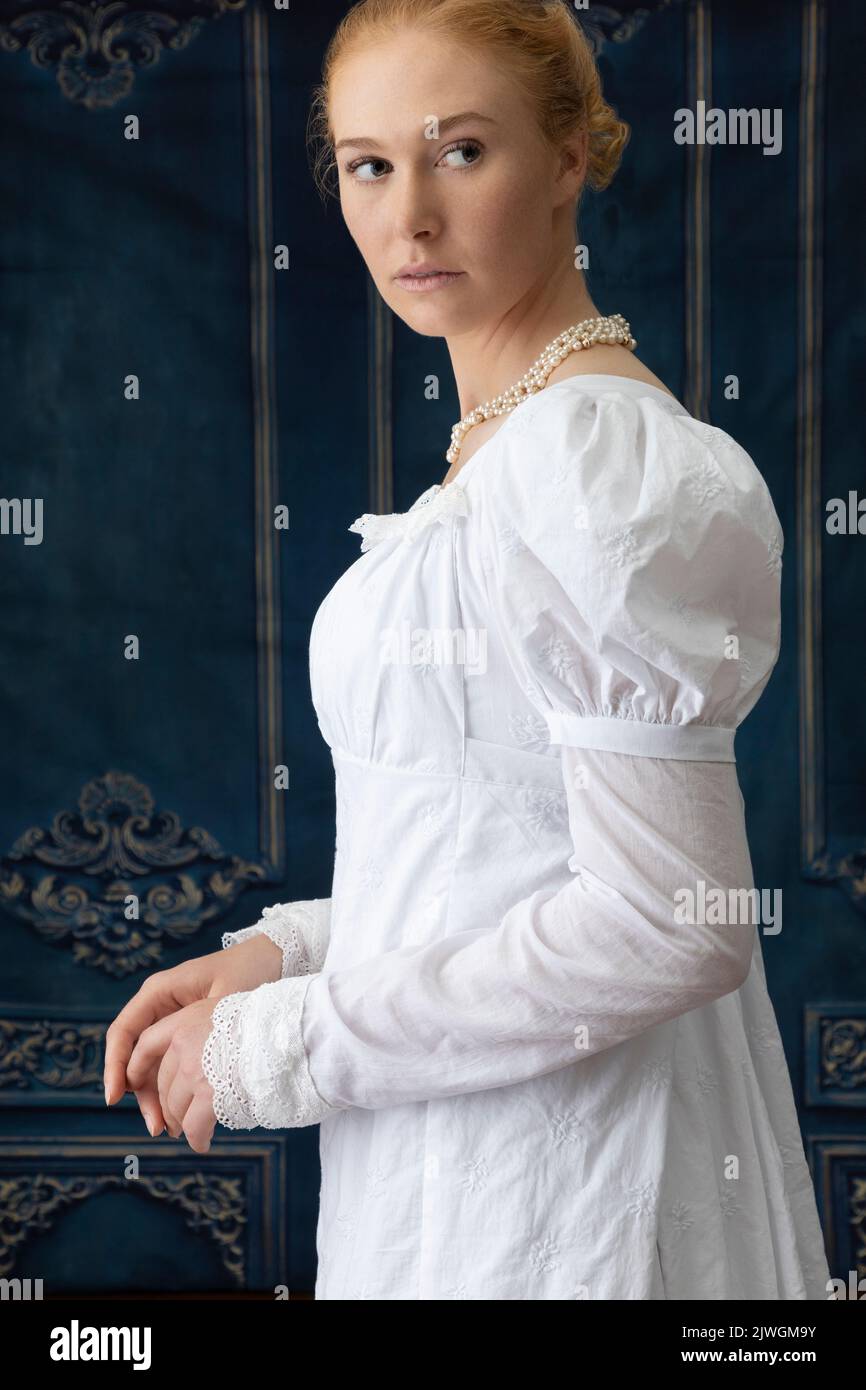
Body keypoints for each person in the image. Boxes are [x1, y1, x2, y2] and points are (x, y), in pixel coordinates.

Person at [104, 0, 831, 1300]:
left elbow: (670, 920)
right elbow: (503, 846)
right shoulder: (496, 456)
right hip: (435, 1175)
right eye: (370, 165)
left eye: (461, 152)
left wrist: (271, 1045)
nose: (409, 217)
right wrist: (284, 953)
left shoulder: (600, 472)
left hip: (577, 1200)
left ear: (567, 158)